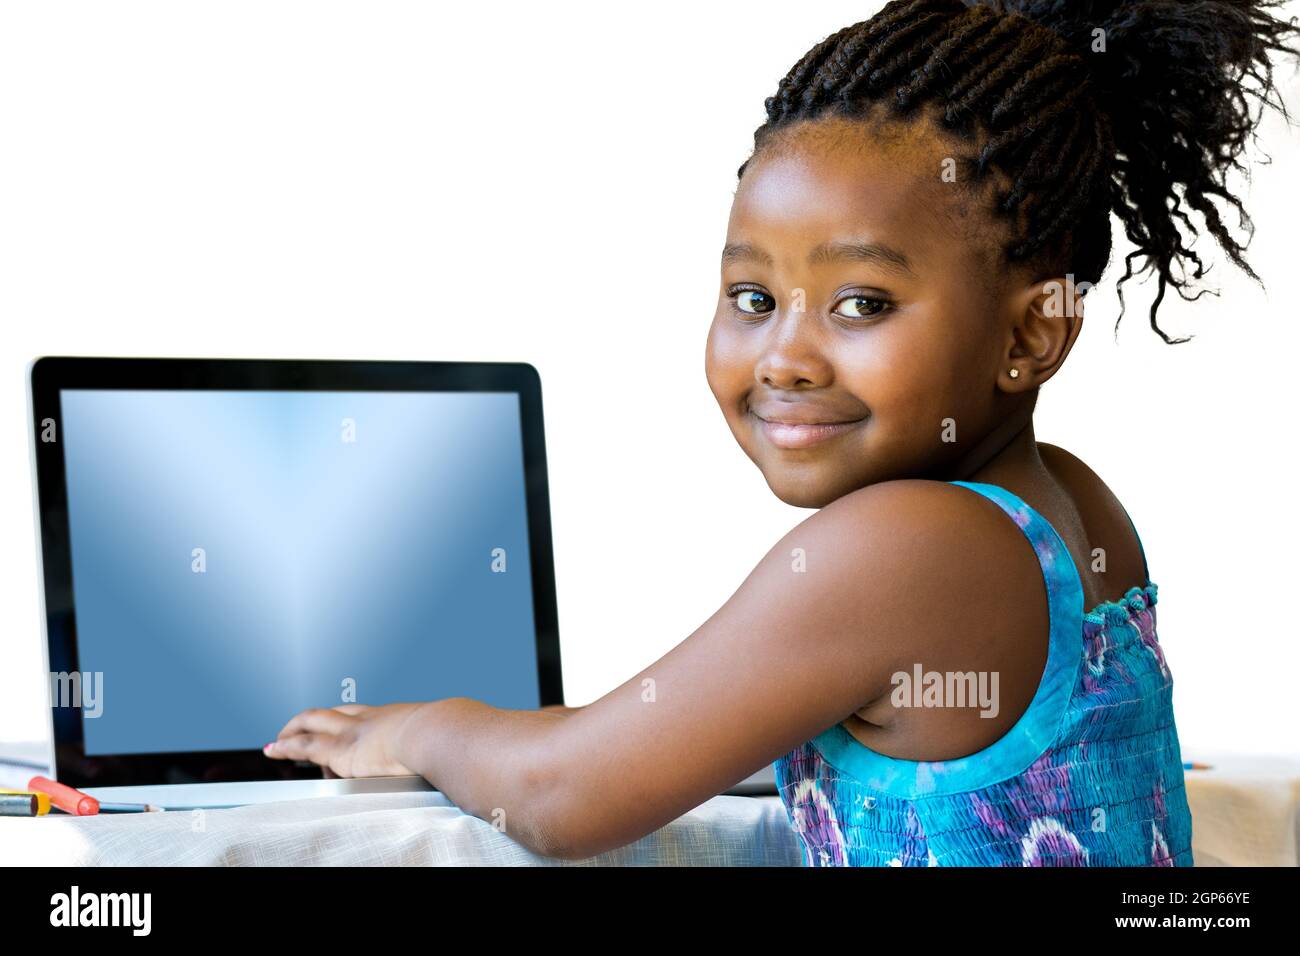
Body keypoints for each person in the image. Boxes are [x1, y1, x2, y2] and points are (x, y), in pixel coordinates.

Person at [266, 0, 1299, 865]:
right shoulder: (1071, 504)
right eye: (753, 295)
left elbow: (561, 792)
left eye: (860, 303)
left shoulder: (906, 543)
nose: (786, 356)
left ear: (1031, 330)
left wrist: (414, 724)